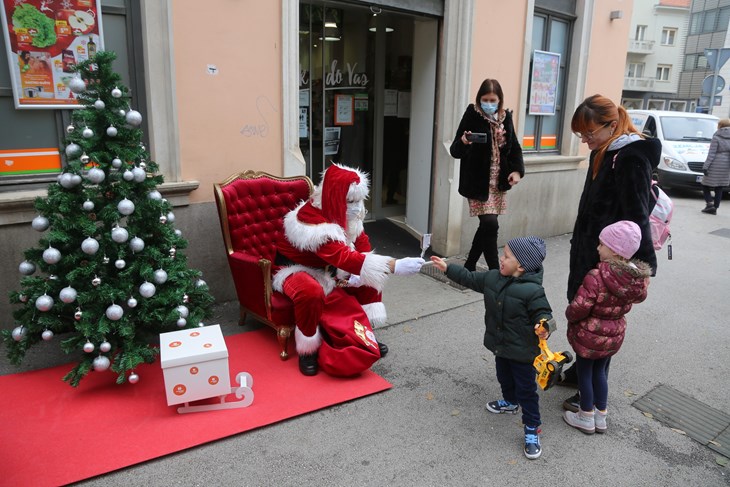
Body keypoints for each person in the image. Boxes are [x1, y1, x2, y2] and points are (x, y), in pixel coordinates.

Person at [273, 163, 425, 377]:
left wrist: (367, 271)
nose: (356, 207)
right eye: (350, 201)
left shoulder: (346, 215)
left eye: (358, 201)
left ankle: (363, 335)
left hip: (329, 267)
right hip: (296, 268)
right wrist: (395, 265)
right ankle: (308, 348)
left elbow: (362, 249)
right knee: (310, 292)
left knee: (371, 277)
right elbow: (341, 256)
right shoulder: (310, 222)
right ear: (335, 198)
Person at [559, 94, 660, 408]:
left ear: (613, 124)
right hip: (589, 251)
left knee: (599, 326)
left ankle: (587, 397)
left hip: (609, 259)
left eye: (590, 133)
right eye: (581, 135)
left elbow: (638, 213)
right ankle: (580, 371)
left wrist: (644, 266)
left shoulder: (630, 157)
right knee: (582, 319)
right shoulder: (604, 149)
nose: (586, 140)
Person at [430, 236, 555, 460]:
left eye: (506, 256)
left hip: (523, 353)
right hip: (501, 346)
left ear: (521, 266)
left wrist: (544, 326)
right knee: (504, 378)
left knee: (526, 391)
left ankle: (532, 428)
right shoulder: (493, 278)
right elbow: (469, 278)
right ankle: (510, 401)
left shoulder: (533, 291)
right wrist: (448, 268)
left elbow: (543, 313)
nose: (501, 258)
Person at [563, 221, 651, 434]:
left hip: (590, 335)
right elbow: (639, 297)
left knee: (585, 373)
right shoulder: (633, 279)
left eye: (601, 244)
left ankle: (585, 416)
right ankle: (600, 416)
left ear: (613, 250)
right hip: (614, 334)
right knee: (600, 373)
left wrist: (570, 315)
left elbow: (580, 306)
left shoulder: (596, 276)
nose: (597, 248)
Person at [449, 78, 525, 271]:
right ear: (479, 99)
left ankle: (469, 266)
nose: (489, 104)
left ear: (500, 100)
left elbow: (514, 146)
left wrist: (516, 170)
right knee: (490, 224)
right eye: (486, 99)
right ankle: (494, 271)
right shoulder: (472, 115)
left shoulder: (505, 117)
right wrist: (465, 141)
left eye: (493, 100)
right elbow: (455, 150)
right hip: (477, 182)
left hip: (497, 182)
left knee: (487, 227)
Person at [701, 118, 730, 215]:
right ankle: (715, 208)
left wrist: (706, 166)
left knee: (705, 185)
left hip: (715, 164)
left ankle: (709, 203)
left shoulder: (717, 136)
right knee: (719, 187)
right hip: (726, 165)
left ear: (720, 125)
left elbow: (711, 153)